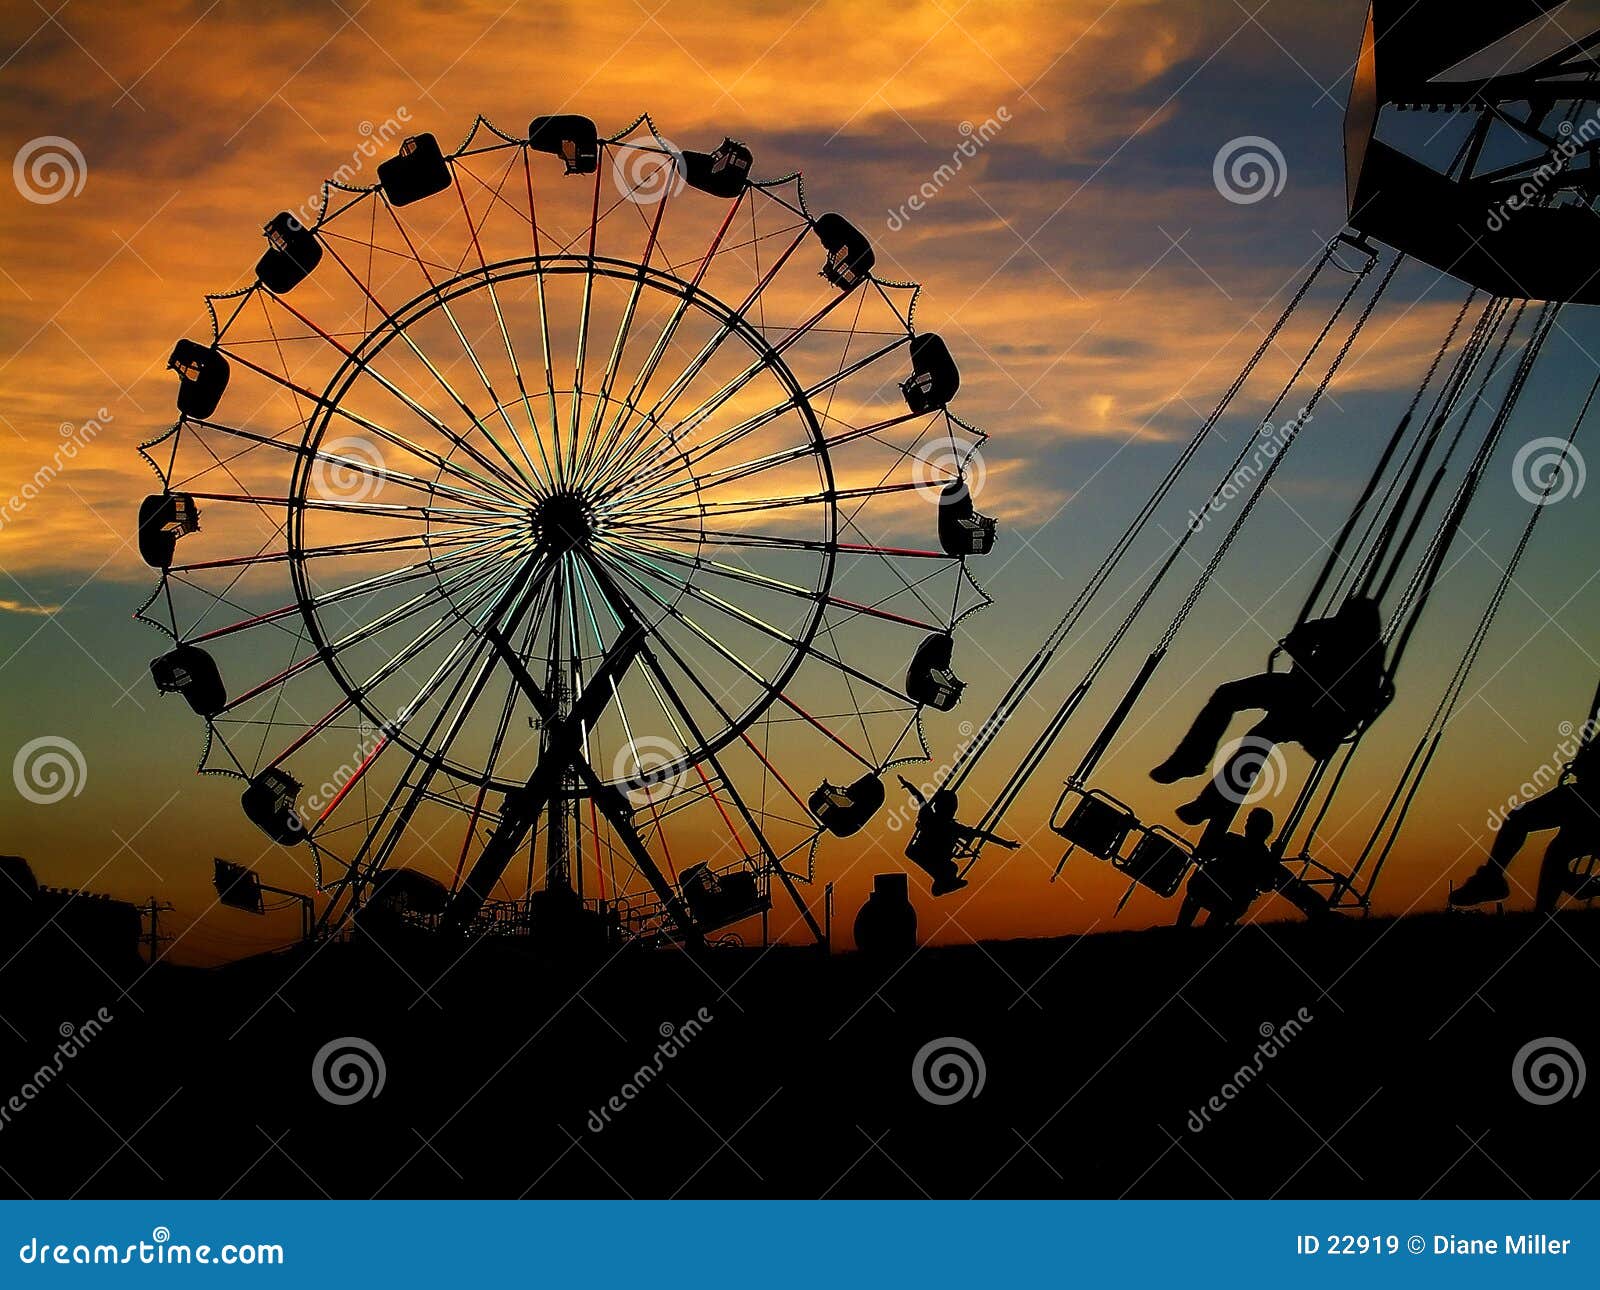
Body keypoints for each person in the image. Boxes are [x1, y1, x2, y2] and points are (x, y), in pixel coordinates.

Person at [1151, 598, 1390, 826]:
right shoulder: (1340, 630)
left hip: (1320, 713)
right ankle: (1205, 796)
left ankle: (1195, 770)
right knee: (1254, 734)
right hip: (1299, 698)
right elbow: (1309, 632)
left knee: (1234, 703)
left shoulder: (1366, 652)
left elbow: (1340, 687)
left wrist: (1304, 654)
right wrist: (1303, 640)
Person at [1451, 737, 1600, 912]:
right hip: (1586, 801)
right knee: (1554, 848)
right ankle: (1537, 911)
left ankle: (1498, 883)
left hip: (1590, 802)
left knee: (1551, 847)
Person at [1176, 808, 1330, 927]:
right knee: (1204, 898)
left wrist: (1273, 859)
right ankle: (1185, 927)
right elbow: (1266, 885)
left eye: (1251, 822)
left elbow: (1266, 884)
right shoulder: (1245, 847)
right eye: (1249, 821)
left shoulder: (1249, 849)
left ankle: (1185, 927)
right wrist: (1273, 859)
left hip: (1224, 897)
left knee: (1210, 902)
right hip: (1218, 894)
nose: (1248, 825)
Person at [897, 777, 1019, 896]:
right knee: (951, 868)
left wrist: (909, 786)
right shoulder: (949, 826)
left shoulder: (935, 818)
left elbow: (920, 798)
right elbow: (982, 834)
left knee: (950, 868)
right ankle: (945, 881)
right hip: (926, 855)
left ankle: (944, 881)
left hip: (923, 855)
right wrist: (1005, 843)